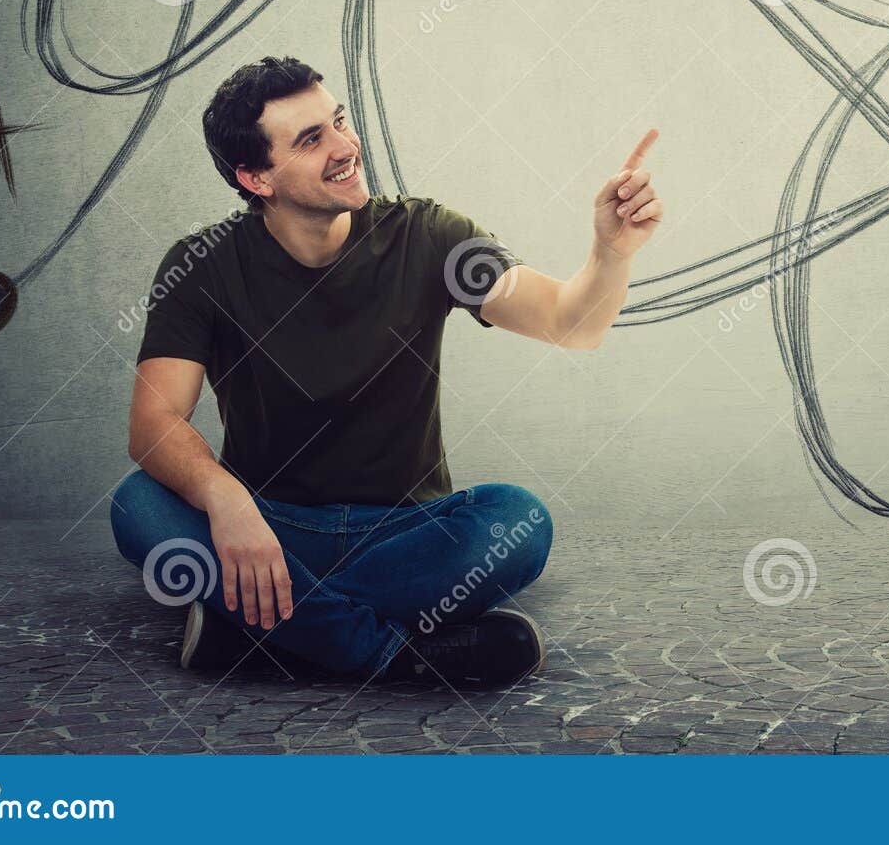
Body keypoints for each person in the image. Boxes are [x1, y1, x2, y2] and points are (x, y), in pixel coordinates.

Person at [109, 55, 663, 687]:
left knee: (518, 519)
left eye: (339, 122)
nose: (346, 147)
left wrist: (611, 252)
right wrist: (227, 500)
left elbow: (572, 323)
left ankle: (258, 634)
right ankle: (396, 655)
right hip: (270, 528)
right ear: (256, 177)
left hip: (408, 530)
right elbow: (153, 424)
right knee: (138, 505)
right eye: (312, 140)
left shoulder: (429, 236)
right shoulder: (201, 266)